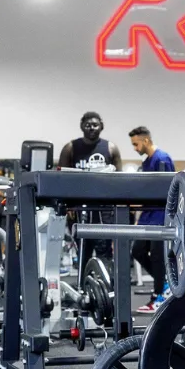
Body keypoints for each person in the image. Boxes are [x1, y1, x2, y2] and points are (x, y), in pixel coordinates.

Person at [59, 111, 124, 263]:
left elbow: (120, 179)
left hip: (104, 207)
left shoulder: (111, 148)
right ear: (82, 126)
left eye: (95, 125)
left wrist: (118, 205)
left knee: (105, 249)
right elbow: (60, 179)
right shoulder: (70, 148)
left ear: (101, 126)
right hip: (79, 207)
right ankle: (82, 284)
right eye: (88, 125)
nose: (91, 128)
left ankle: (108, 285)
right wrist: (66, 205)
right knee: (83, 249)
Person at [128, 126, 175, 313]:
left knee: (157, 256)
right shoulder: (147, 161)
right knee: (137, 250)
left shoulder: (162, 159)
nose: (134, 148)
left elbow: (169, 188)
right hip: (148, 215)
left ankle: (159, 295)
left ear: (146, 140)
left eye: (136, 144)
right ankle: (163, 284)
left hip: (161, 215)